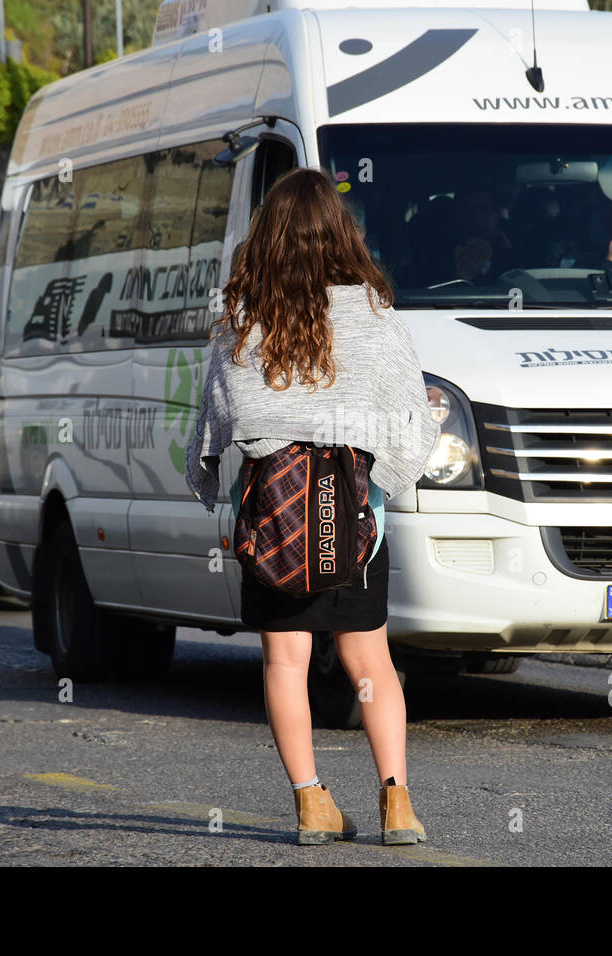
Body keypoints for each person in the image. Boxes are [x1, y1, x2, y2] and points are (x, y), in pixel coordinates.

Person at [185, 168, 440, 846]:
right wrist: (383, 475)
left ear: (266, 236)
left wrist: (209, 473)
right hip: (355, 519)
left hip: (275, 517)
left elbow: (215, 423)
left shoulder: (240, 324)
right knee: (370, 662)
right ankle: (396, 801)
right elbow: (414, 420)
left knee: (285, 662)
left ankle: (310, 802)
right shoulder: (377, 319)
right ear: (340, 234)